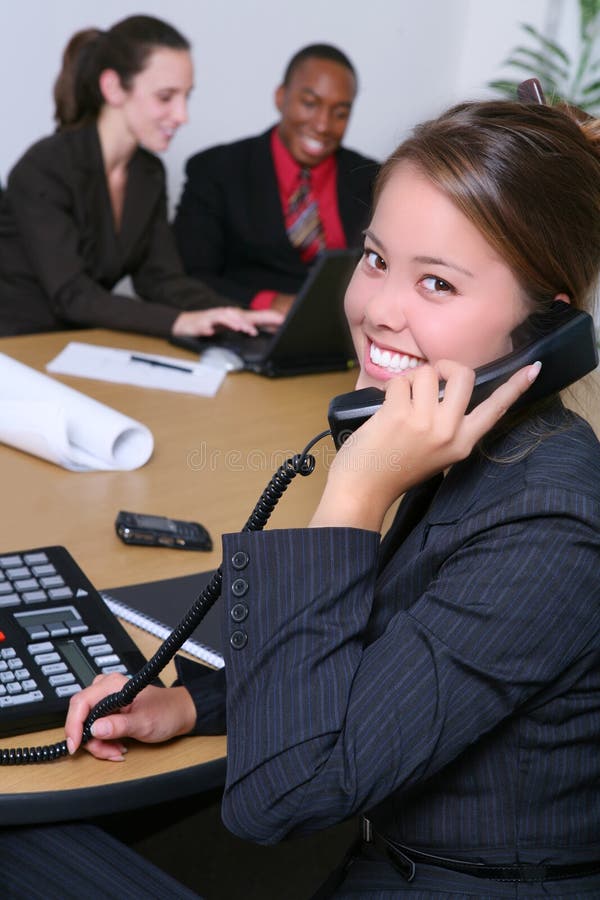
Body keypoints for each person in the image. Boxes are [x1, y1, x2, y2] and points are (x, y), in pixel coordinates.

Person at [66, 97, 600, 897]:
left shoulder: (549, 523)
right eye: (377, 259)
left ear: (544, 328)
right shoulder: (461, 442)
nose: (379, 309)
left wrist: (354, 493)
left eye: (438, 283)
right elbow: (379, 661)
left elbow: (279, 797)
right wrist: (190, 706)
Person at [0, 16, 282, 339]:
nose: (182, 116)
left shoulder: (148, 172)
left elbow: (159, 279)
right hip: (15, 348)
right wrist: (179, 322)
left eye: (186, 97)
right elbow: (73, 296)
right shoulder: (44, 167)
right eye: (165, 97)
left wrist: (234, 315)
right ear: (113, 88)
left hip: (80, 344)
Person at [172, 44, 378, 314]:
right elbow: (189, 276)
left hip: (342, 338)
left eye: (340, 113)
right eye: (309, 104)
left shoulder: (372, 179)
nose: (322, 125)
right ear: (281, 97)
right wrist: (270, 303)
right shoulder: (217, 170)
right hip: (244, 326)